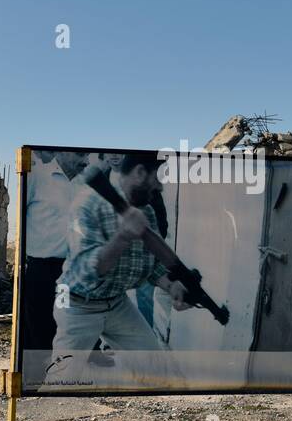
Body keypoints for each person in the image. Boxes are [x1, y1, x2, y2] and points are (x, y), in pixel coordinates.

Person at [49, 154, 190, 359]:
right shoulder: (86, 204)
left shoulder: (146, 211)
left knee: (154, 364)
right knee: (63, 378)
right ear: (140, 173)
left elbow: (152, 265)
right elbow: (88, 269)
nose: (160, 187)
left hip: (116, 302)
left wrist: (171, 286)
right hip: (75, 303)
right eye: (158, 179)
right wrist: (123, 236)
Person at [23, 151, 86, 351]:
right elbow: (20, 214)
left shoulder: (83, 185)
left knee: (64, 325)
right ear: (63, 153)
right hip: (41, 271)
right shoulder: (38, 177)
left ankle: (61, 376)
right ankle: (37, 378)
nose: (84, 161)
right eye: (79, 154)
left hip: (68, 273)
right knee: (39, 326)